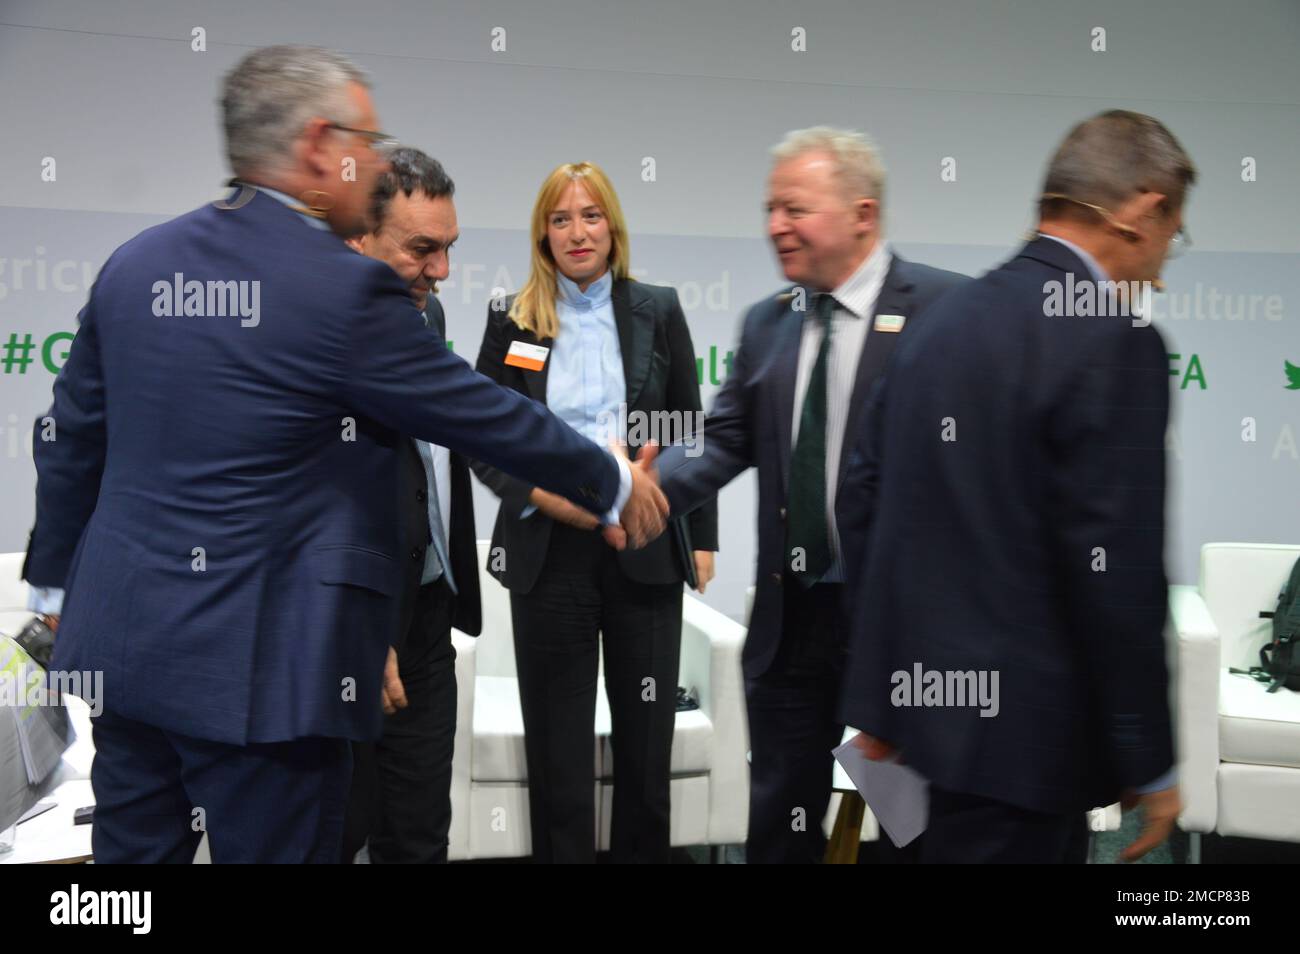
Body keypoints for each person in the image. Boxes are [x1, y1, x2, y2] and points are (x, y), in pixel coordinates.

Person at [21, 45, 666, 864]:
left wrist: (52, 583)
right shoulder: (340, 287)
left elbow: (70, 437)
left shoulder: (135, 263)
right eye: (370, 136)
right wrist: (609, 477)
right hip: (265, 675)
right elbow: (478, 413)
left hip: (125, 657)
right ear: (325, 145)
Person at [838, 110, 1193, 863]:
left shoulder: (936, 323)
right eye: (1172, 235)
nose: (1162, 267)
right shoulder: (1115, 343)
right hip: (1025, 761)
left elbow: (861, 499)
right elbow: (1115, 576)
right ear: (1143, 210)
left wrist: (883, 696)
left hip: (916, 742)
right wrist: (1149, 759)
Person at [655, 128, 965, 863]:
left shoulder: (944, 312)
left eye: (794, 208)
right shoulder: (770, 322)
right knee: (779, 824)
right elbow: (722, 439)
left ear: (863, 213)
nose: (774, 226)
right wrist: (633, 489)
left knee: (902, 828)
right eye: (769, 208)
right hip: (792, 624)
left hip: (894, 632)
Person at [471, 161, 717, 863]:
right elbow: (484, 440)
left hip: (642, 545)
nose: (577, 232)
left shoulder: (658, 307)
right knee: (560, 749)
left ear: (612, 226)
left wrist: (701, 538)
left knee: (646, 748)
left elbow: (684, 428)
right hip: (548, 552)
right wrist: (551, 500)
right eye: (560, 219)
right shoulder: (511, 318)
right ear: (542, 234)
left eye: (590, 216)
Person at [340, 147, 479, 864]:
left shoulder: (430, 316)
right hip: (350, 621)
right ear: (361, 235)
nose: (442, 271)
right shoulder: (313, 329)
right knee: (341, 829)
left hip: (428, 613)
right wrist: (359, 621)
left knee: (420, 833)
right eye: (423, 249)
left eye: (449, 249)